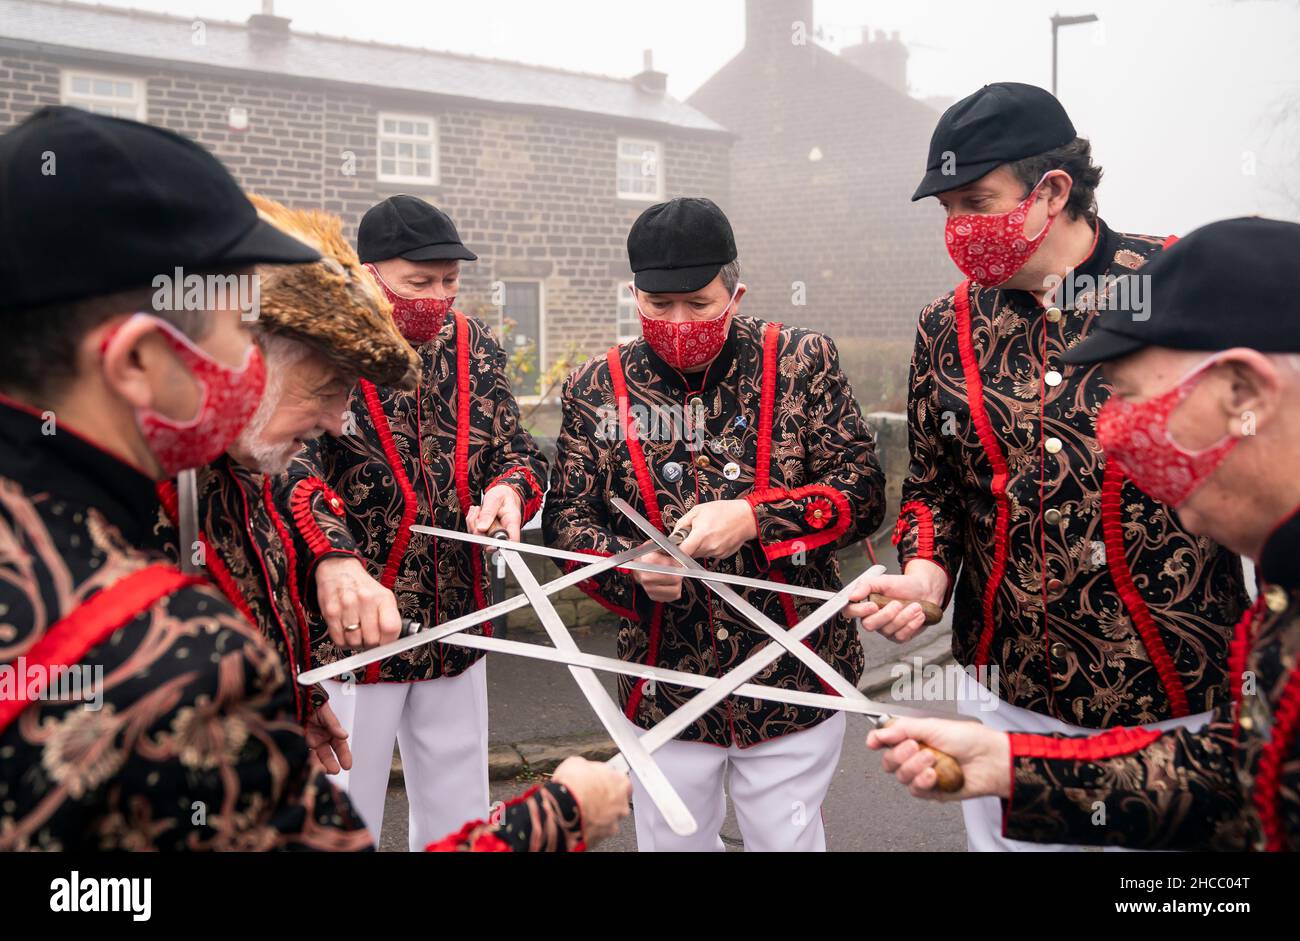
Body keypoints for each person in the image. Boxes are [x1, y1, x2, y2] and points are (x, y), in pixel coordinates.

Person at [0, 106, 629, 853]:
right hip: (357, 649)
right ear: (137, 361)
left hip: (449, 624)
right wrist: (556, 817)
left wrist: (285, 695)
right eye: (242, 333)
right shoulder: (172, 659)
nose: (259, 368)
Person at [844, 83, 1250, 851]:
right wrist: (928, 570)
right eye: (947, 210)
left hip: (1172, 699)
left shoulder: (1178, 281)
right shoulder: (943, 324)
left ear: (1052, 190)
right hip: (1008, 689)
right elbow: (931, 485)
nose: (959, 228)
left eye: (976, 201)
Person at [543, 197, 886, 851]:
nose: (677, 322)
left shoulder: (803, 360)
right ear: (633, 294)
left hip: (796, 677)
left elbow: (863, 493)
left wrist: (758, 516)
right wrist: (627, 565)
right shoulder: (593, 386)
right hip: (664, 682)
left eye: (698, 304)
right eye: (656, 305)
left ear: (736, 290)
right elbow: (566, 517)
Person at [277, 195, 547, 851]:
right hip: (354, 626)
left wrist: (510, 490)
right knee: (344, 812)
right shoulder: (322, 344)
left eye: (450, 281)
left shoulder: (476, 342)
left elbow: (515, 447)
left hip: (457, 616)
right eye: (419, 282)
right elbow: (287, 462)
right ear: (370, 275)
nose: (438, 296)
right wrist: (332, 556)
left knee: (458, 813)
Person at [153, 194, 422, 774]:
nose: (334, 420)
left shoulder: (237, 456)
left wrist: (294, 699)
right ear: (239, 357)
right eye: (326, 388)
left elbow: (253, 586)